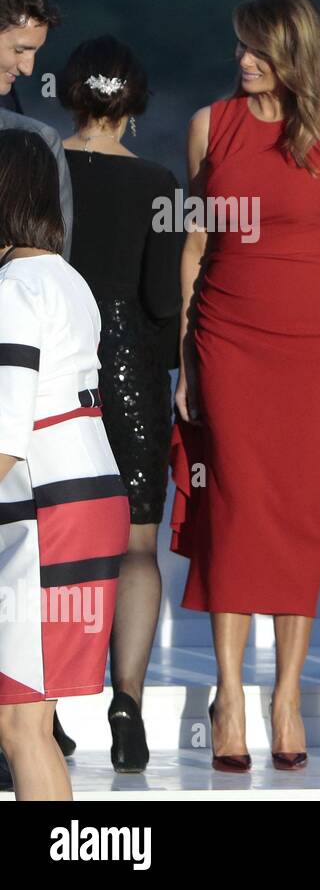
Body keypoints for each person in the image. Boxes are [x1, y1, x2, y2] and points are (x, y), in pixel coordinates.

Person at [171, 0, 320, 772]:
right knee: (235, 512)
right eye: (240, 47)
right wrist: (180, 357)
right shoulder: (207, 126)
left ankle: (286, 693)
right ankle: (229, 694)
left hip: (311, 348)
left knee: (297, 521)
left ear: (294, 52)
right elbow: (192, 249)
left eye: (258, 48)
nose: (243, 60)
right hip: (225, 343)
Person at [56, 36, 183, 774]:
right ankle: (127, 702)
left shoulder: (37, 167)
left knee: (41, 547)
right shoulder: (162, 183)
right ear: (134, 105)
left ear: (72, 94)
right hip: (130, 373)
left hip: (53, 375)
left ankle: (43, 709)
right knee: (136, 548)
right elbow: (163, 301)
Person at [0, 129, 130, 800]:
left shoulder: (15, 286)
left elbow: (6, 426)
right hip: (84, 496)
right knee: (32, 719)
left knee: (20, 723)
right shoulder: (64, 278)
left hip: (49, 510)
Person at [0, 0, 74, 256]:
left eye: (34, 52)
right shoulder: (38, 137)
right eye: (20, 50)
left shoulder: (17, 113)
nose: (28, 68)